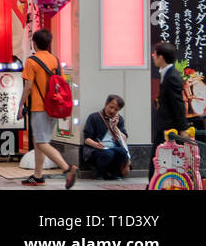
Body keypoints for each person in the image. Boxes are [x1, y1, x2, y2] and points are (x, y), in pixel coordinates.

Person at [21, 29, 77, 188]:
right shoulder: (55, 60)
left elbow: (28, 88)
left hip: (39, 107)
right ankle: (38, 176)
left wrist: (21, 106)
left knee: (42, 142)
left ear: (34, 43)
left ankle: (67, 168)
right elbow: (60, 84)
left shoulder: (31, 61)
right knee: (39, 141)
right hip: (53, 106)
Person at [82, 95, 131, 179]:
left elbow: (124, 139)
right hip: (95, 149)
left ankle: (114, 173)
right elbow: (86, 139)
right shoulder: (94, 117)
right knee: (108, 153)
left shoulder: (119, 119)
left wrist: (115, 127)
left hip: (113, 147)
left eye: (116, 109)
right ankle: (99, 173)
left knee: (122, 152)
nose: (112, 111)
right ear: (106, 104)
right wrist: (96, 144)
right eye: (110, 107)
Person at [153, 41, 187, 144]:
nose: (153, 56)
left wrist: (183, 128)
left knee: (159, 158)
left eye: (155, 54)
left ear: (161, 57)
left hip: (170, 129)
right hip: (164, 127)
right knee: (157, 158)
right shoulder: (167, 73)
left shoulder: (172, 77)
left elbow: (178, 103)